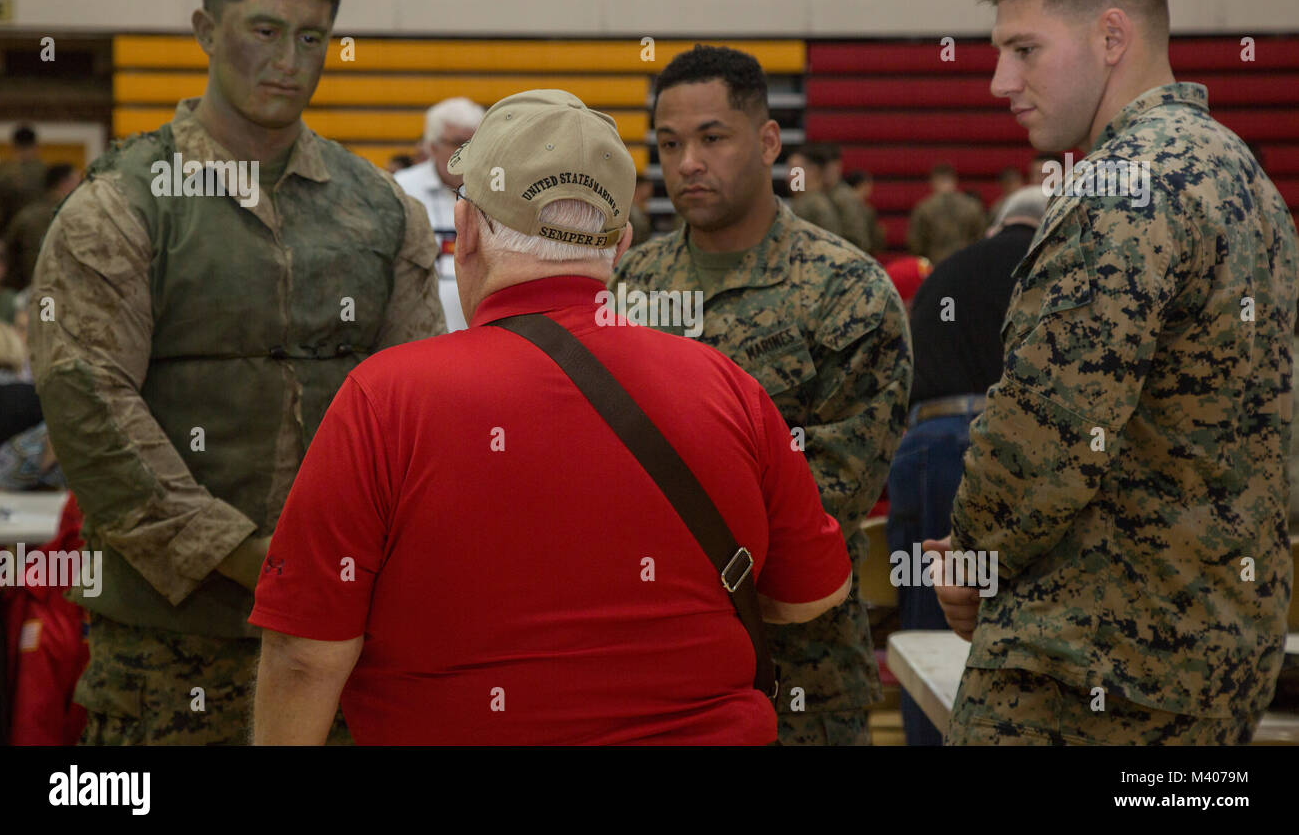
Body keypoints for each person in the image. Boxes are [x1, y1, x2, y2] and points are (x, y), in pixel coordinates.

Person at [250, 90, 852, 745]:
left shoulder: (383, 398)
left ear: (467, 230)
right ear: (619, 242)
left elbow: (306, 654)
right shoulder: (725, 386)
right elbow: (809, 594)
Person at [27, 0, 446, 746]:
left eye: (313, 37)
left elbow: (413, 403)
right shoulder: (121, 205)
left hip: (340, 644)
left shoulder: (381, 209)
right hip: (169, 647)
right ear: (205, 30)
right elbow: (89, 406)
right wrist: (243, 553)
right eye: (264, 30)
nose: (290, 59)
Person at [934, 0, 1297, 745]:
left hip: (1088, 664)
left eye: (1024, 49)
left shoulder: (1119, 188)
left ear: (1110, 36)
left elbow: (1047, 432)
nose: (998, 80)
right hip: (1217, 658)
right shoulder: (1245, 178)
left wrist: (969, 552)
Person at [612, 45, 912, 745]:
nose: (687, 161)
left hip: (798, 674)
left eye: (712, 137)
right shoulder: (627, 289)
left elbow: (832, 495)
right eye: (669, 142)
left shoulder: (846, 290)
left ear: (768, 141)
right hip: (653, 669)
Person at [885, 185, 1046, 746]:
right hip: (1010, 448)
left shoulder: (945, 270)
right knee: (1010, 630)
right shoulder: (1053, 266)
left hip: (925, 442)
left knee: (922, 634)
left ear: (997, 222)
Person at [395, 97, 485, 332]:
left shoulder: (498, 189)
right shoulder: (401, 189)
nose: (467, 153)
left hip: (482, 331)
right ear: (432, 146)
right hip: (416, 332)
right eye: (458, 143)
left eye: (474, 143)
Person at [3, 163, 79, 291]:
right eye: (77, 182)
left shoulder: (26, 214)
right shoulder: (69, 216)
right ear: (65, 183)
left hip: (22, 292)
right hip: (52, 294)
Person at [906, 162, 986, 265]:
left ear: (933, 181)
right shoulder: (972, 206)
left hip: (936, 266)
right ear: (954, 180)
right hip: (966, 264)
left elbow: (916, 244)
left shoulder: (924, 208)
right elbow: (981, 238)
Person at [783, 146, 842, 237]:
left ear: (813, 171)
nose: (789, 176)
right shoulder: (806, 201)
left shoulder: (815, 204)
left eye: (795, 170)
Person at [0, 126, 46, 235]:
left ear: (13, 146)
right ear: (36, 146)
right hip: (39, 232)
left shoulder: (3, 171)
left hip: (8, 233)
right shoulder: (45, 171)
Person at [628, 173, 654, 247]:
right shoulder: (631, 212)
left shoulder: (640, 209)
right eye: (647, 186)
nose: (651, 190)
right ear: (639, 188)